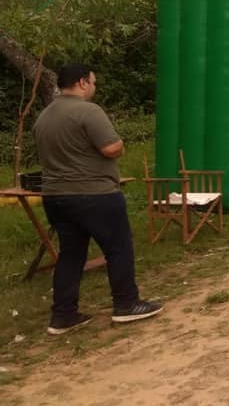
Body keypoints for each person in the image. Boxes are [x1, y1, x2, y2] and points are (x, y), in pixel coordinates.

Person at [32, 63, 163, 335]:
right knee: (118, 248)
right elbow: (112, 147)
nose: (94, 87)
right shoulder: (88, 111)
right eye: (93, 82)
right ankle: (126, 304)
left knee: (70, 254)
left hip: (55, 196)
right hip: (94, 194)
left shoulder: (44, 116)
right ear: (82, 82)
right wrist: (120, 145)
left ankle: (63, 315)